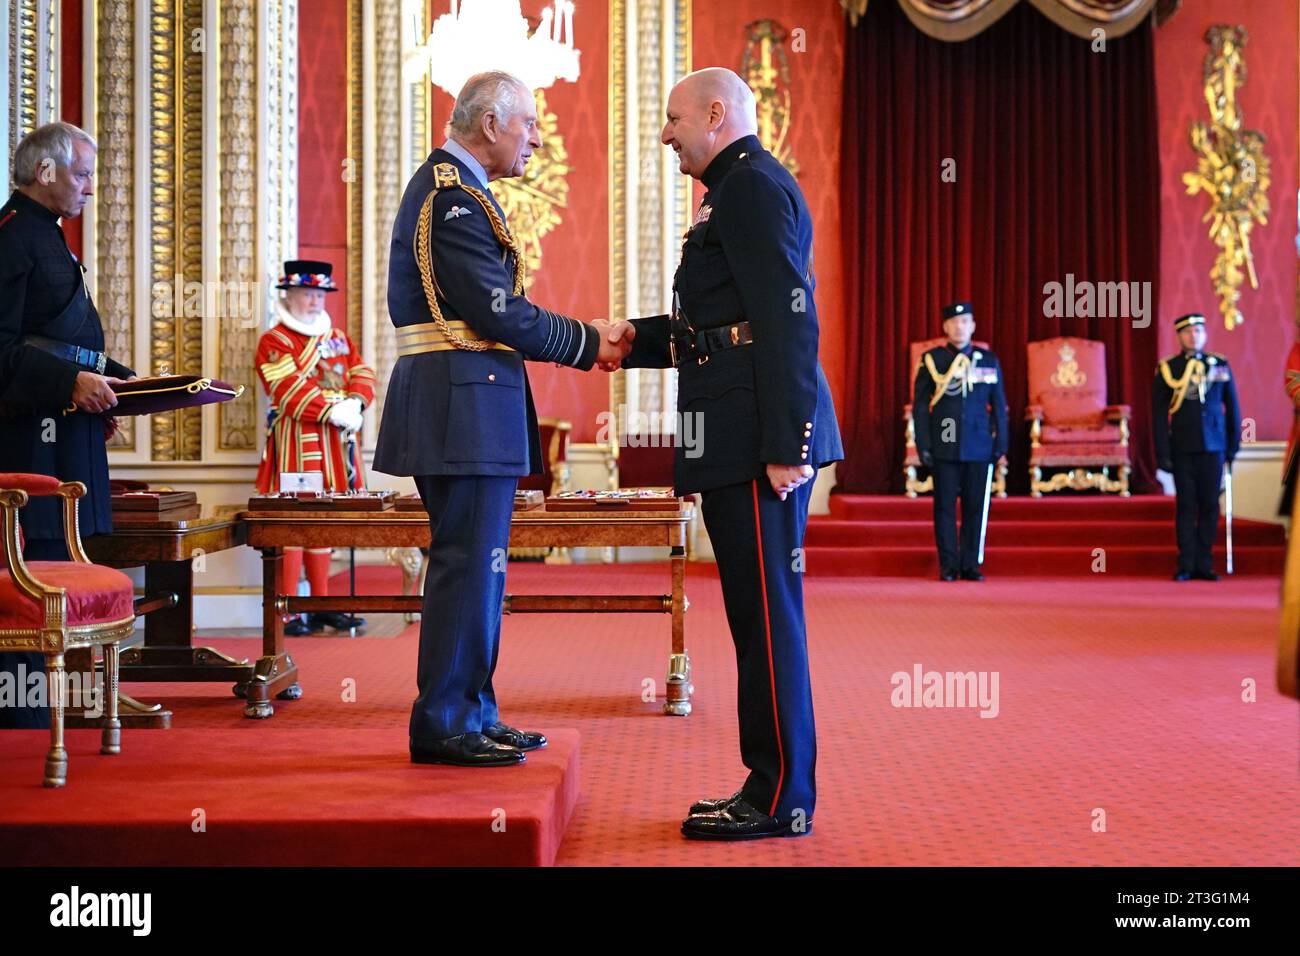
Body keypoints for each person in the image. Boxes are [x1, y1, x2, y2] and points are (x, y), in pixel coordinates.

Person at [374, 71, 631, 767]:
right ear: (491, 124)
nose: (537, 141)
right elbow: (496, 312)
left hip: (468, 401)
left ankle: (473, 710)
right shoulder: (452, 198)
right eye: (528, 127)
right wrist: (586, 342)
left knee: (481, 566)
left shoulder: (458, 192)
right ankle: (445, 723)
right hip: (461, 405)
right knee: (466, 563)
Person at [618, 68, 843, 840]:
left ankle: (780, 798)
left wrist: (787, 445)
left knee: (768, 620)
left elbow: (789, 322)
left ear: (717, 115)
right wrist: (631, 341)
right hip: (734, 431)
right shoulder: (732, 187)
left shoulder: (749, 187)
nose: (665, 133)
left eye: (674, 118)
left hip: (754, 442)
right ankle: (769, 782)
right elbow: (716, 325)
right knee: (755, 617)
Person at [0, 122, 135, 729]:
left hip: (65, 440)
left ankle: (54, 708)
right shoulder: (10, 238)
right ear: (45, 173)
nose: (90, 186)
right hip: (29, 446)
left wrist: (129, 385)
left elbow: (65, 344)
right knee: (32, 574)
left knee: (64, 566)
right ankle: (22, 719)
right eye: (81, 173)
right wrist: (68, 385)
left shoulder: (45, 237)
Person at [255, 259, 376, 634]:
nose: (314, 301)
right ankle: (289, 609)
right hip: (298, 441)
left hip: (338, 446)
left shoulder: (337, 336)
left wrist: (356, 402)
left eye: (320, 294)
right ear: (289, 296)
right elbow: (285, 389)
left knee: (327, 520)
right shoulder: (274, 341)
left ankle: (323, 604)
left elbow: (360, 370)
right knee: (295, 522)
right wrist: (332, 409)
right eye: (307, 294)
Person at [911, 302, 1008, 582]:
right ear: (945, 327)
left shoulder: (988, 360)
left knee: (975, 507)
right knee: (943, 507)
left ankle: (970, 564)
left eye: (965, 321)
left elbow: (998, 405)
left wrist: (1001, 441)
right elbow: (920, 406)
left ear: (973, 326)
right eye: (954, 322)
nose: (959, 327)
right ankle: (948, 565)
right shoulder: (933, 360)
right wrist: (923, 444)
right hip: (944, 443)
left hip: (979, 445)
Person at [1152, 312, 1240, 581]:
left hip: (1214, 447)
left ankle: (1205, 563)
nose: (1195, 336)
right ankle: (1186, 564)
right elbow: (1157, 415)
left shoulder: (1219, 364)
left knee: (1210, 505)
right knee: (1186, 506)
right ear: (1179, 336)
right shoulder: (1169, 369)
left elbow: (1232, 408)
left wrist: (1232, 447)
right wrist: (1163, 453)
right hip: (1183, 446)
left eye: (1199, 331)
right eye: (1189, 332)